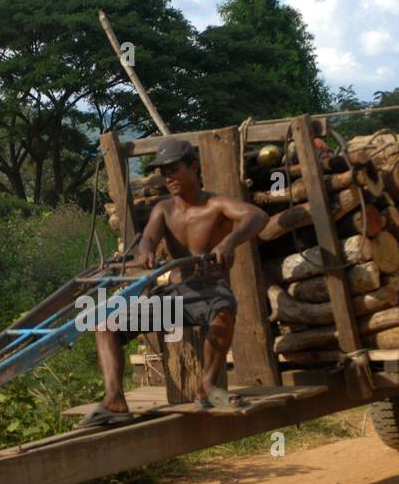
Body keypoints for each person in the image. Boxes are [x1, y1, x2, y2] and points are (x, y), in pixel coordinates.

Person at [79, 137, 269, 427]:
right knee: (106, 323)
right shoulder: (164, 210)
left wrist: (229, 242)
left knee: (223, 309)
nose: (168, 177)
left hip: (209, 293)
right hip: (173, 298)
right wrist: (145, 254)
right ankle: (115, 401)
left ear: (193, 167)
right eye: (163, 172)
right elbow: (148, 242)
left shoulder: (216, 205)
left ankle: (207, 386)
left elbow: (257, 215)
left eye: (173, 169)